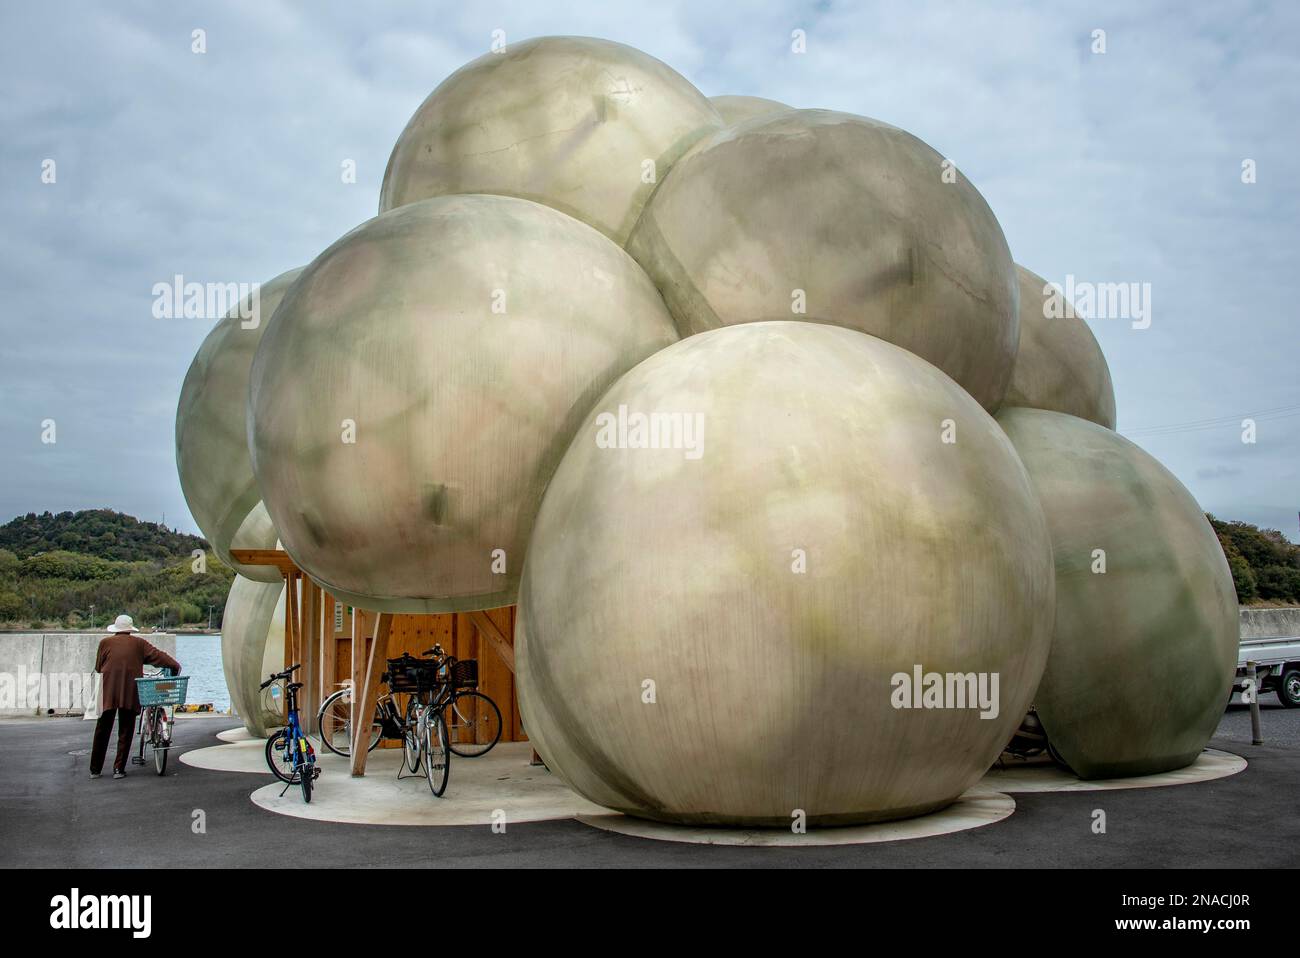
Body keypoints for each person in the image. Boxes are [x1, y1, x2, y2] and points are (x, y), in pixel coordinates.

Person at [90, 614, 181, 779]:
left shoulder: (105, 643)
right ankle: (118, 769)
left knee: (103, 728)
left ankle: (95, 770)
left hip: (108, 691)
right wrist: (175, 666)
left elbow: (98, 668)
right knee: (126, 729)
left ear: (116, 629)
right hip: (129, 691)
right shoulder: (139, 644)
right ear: (130, 629)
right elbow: (158, 656)